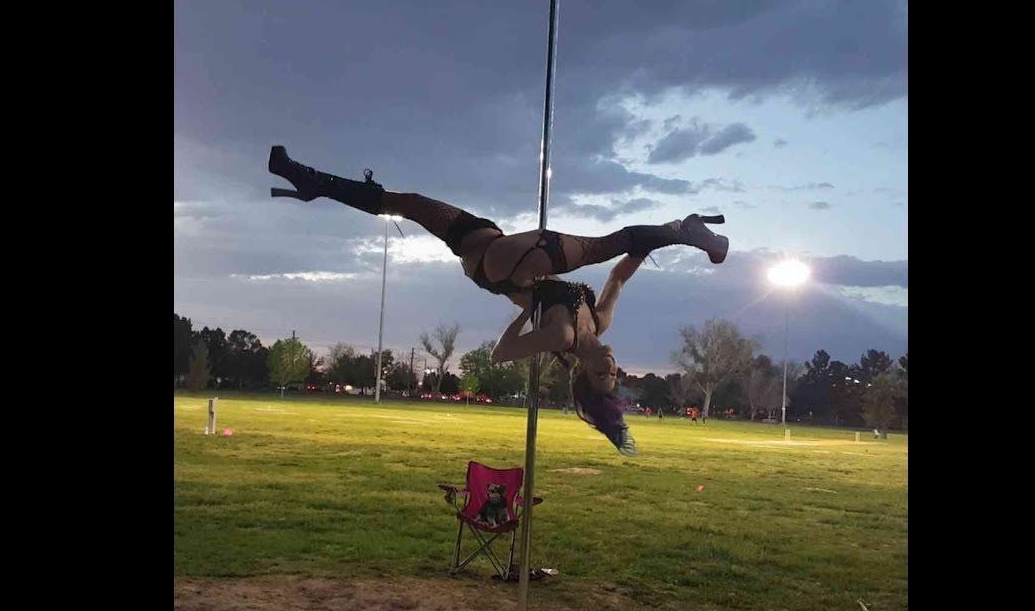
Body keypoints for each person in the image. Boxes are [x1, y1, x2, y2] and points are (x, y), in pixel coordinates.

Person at [269, 146, 728, 455]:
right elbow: (620, 276)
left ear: (585, 375)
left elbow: (501, 353)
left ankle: (684, 231)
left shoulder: (561, 335)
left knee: (604, 242)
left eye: (601, 374)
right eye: (614, 372)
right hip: (493, 247)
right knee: (406, 202)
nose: (610, 366)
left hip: (509, 268)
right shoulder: (600, 322)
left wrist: (526, 311)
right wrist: (646, 249)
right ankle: (312, 183)